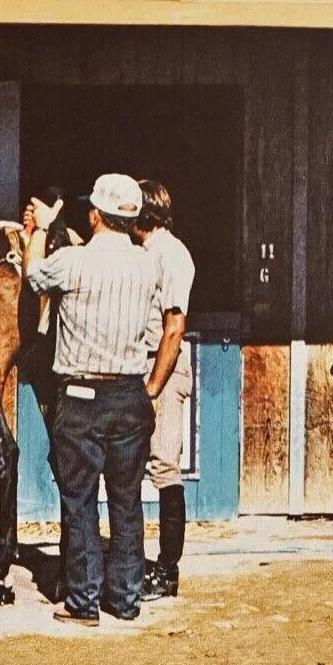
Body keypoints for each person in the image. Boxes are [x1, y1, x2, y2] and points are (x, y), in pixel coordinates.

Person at [23, 173, 160, 625]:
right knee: (127, 501)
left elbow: (33, 276)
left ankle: (83, 602)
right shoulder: (147, 265)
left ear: (95, 215)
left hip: (82, 395)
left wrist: (41, 229)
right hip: (130, 394)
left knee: (79, 500)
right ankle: (125, 599)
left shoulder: (73, 262)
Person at [134, 179, 197, 600]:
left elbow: (173, 327)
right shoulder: (144, 253)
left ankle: (167, 570)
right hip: (139, 371)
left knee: (164, 468)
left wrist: (154, 385)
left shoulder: (171, 254)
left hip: (163, 371)